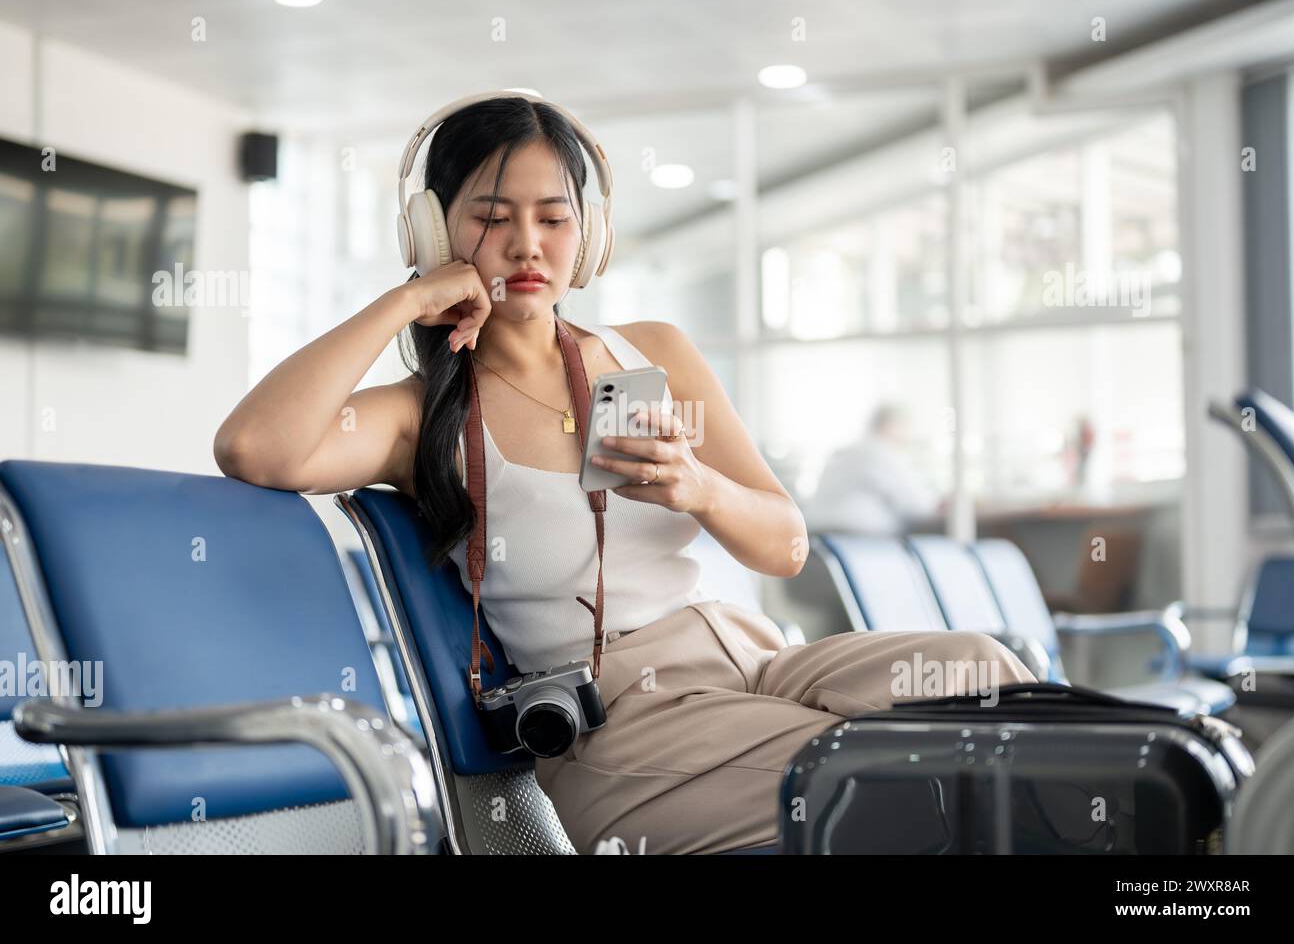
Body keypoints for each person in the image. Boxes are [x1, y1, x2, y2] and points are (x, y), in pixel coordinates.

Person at [213, 93, 1036, 855]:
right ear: (434, 235)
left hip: (758, 665)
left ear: (590, 236)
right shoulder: (419, 414)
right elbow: (253, 447)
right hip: (623, 726)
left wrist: (699, 488)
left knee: (991, 678)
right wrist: (404, 303)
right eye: (492, 218)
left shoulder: (657, 353)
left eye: (553, 218)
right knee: (889, 775)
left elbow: (785, 546)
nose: (527, 244)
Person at [802, 404, 942, 535]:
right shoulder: (879, 451)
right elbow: (918, 504)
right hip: (855, 538)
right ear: (892, 425)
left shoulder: (848, 451)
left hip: (817, 535)